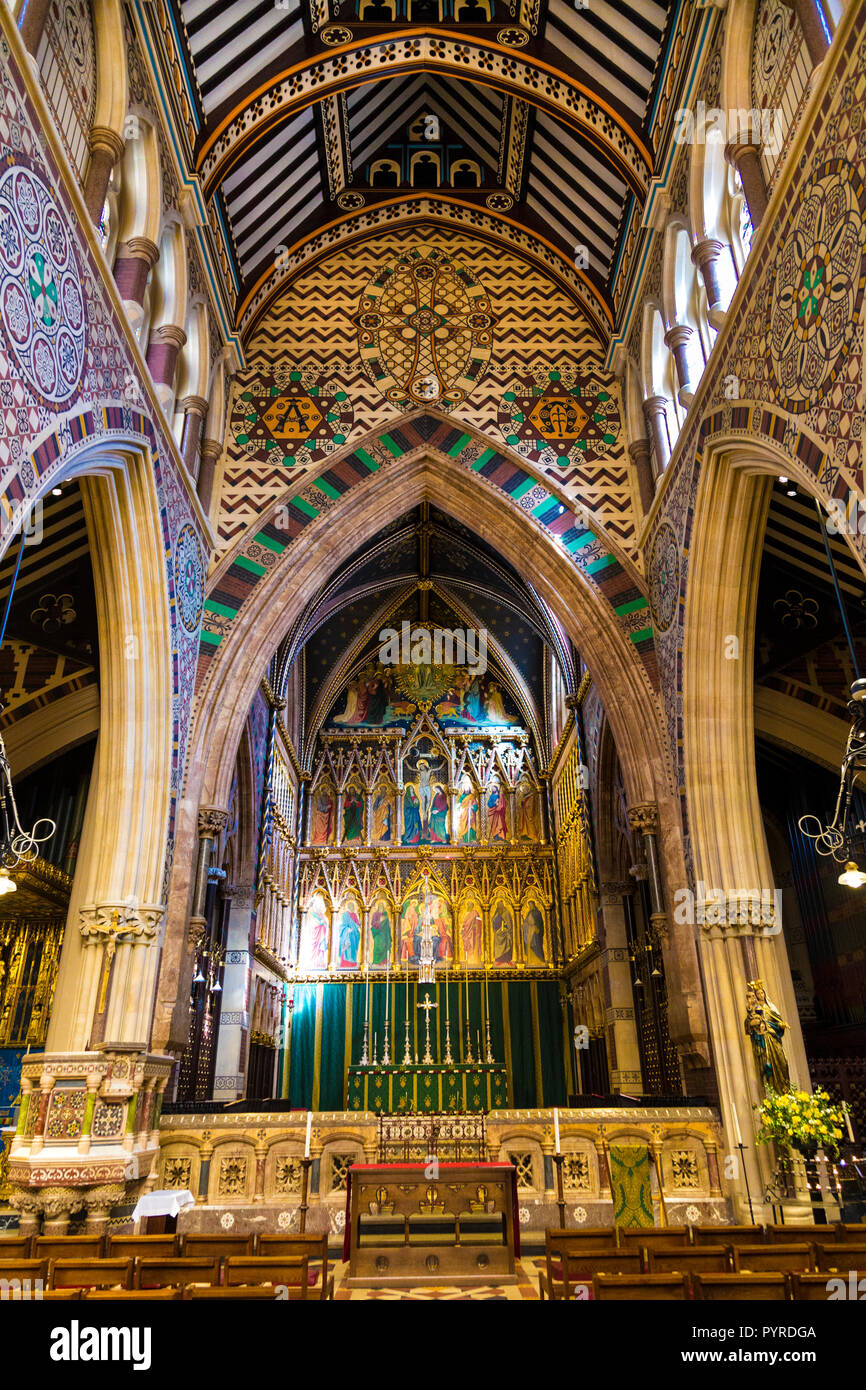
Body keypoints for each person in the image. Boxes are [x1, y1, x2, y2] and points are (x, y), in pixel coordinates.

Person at [744, 979, 790, 1091]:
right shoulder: (755, 1009)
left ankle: (785, 1089)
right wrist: (753, 1023)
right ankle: (773, 1091)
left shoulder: (770, 1007)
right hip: (764, 1041)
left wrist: (781, 1025)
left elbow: (776, 1021)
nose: (760, 995)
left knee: (783, 1062)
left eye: (762, 992)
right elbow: (749, 1024)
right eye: (758, 993)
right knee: (768, 1066)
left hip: (773, 1038)